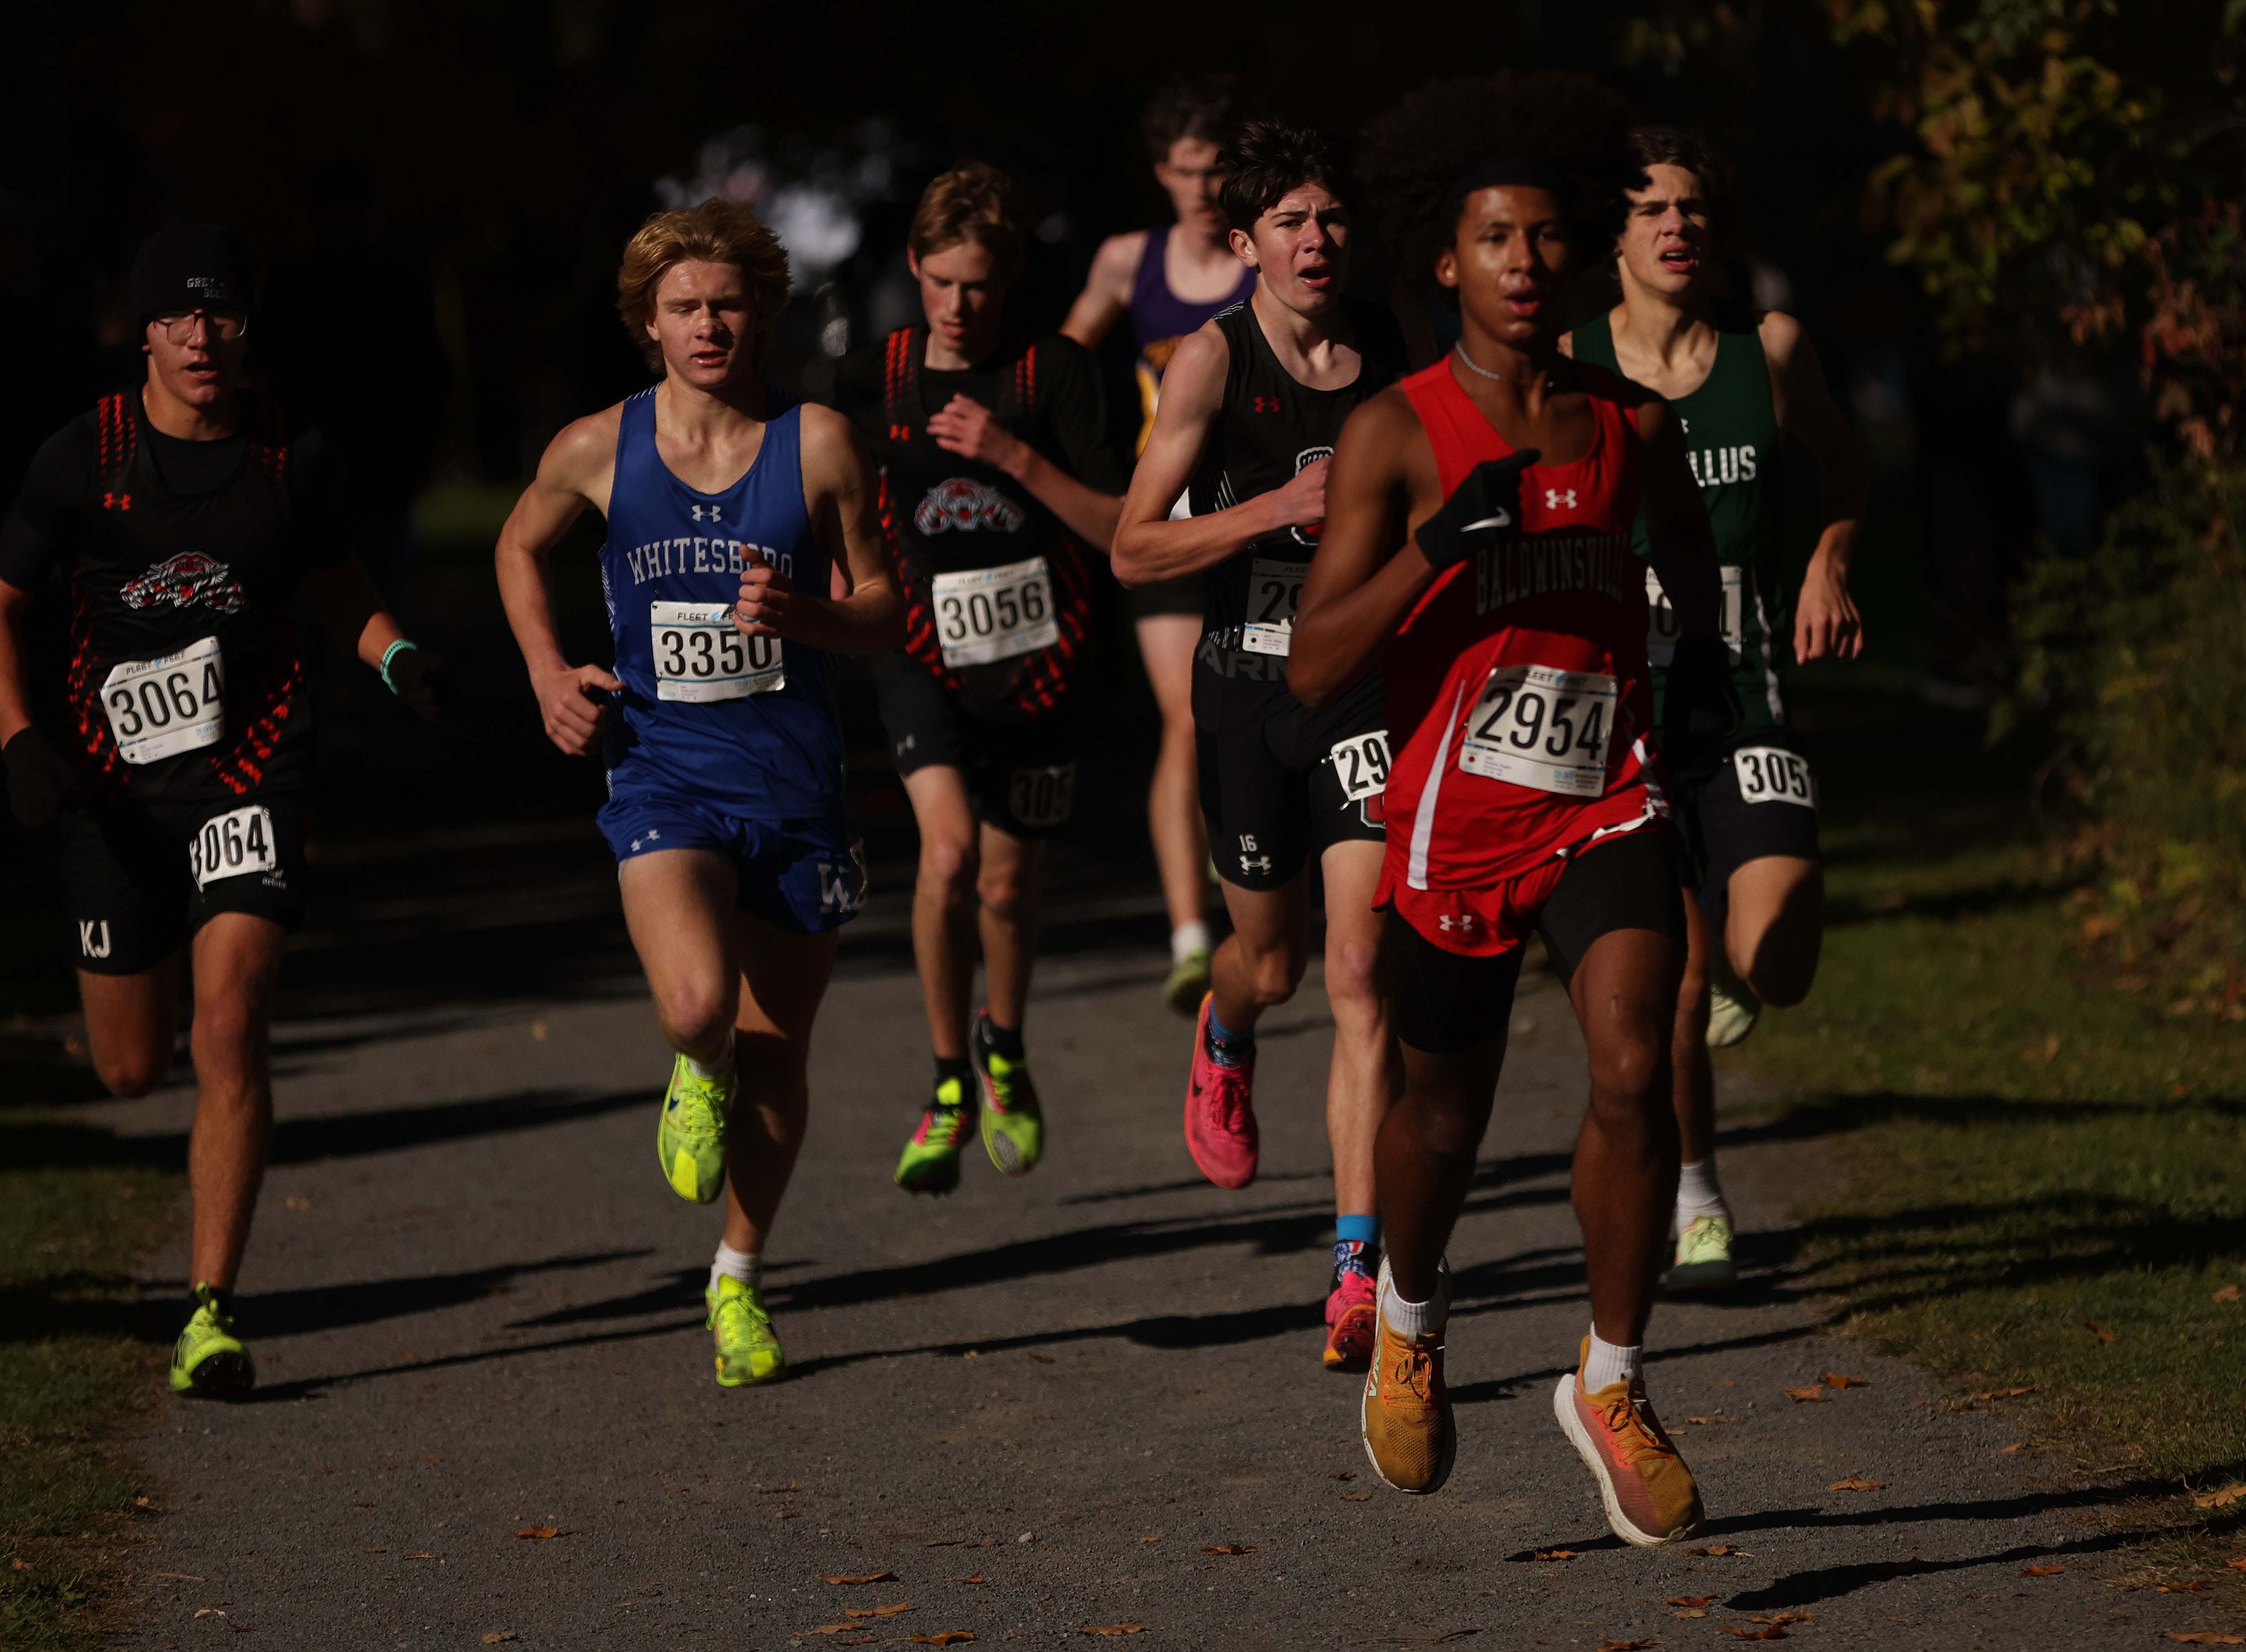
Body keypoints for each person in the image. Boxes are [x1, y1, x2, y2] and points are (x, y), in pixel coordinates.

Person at [1294, 71, 1739, 1541]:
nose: (1528, 264)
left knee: (1631, 1057)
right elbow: (1309, 665)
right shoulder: (1396, 432)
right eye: (1499, 240)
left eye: (1550, 239)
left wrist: (1706, 677)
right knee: (1443, 1111)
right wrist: (1435, 543)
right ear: (1446, 261)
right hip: (1450, 828)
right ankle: (1411, 1325)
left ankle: (1610, 1379)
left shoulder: (1626, 424)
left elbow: (1682, 552)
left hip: (1602, 800)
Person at [0, 222, 444, 1399]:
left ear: (248, 327)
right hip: (111, 790)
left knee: (232, 1023)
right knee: (131, 1068)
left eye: (226, 315)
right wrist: (19, 737)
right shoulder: (78, 459)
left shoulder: (292, 454)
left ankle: (211, 1311)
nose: (205, 338)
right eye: (182, 317)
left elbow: (337, 581)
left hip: (250, 772)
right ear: (146, 329)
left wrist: (398, 657)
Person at [494, 200, 902, 1388]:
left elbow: (885, 610)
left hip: (795, 785)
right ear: (650, 324)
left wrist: (809, 614)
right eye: (684, 307)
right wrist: (543, 671)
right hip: (662, 765)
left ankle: (736, 1276)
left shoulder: (818, 442)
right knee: (695, 1002)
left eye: (726, 302)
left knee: (782, 1054)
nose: (708, 323)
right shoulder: (596, 448)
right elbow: (518, 545)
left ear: (760, 311)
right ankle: (694, 1061)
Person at [1113, 121, 1411, 1373]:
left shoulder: (1393, 351)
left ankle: (1357, 1269)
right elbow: (1133, 546)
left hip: (1361, 692)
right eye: (1290, 221)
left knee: (1359, 967)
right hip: (1243, 686)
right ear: (1244, 245)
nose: (1316, 240)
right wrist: (1268, 512)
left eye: (1331, 218)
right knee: (1274, 964)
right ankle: (1227, 1031)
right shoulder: (1208, 361)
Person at [1565, 128, 1866, 1290]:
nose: (1676, 225)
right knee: (1675, 981)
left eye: (1693, 207)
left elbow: (1845, 466)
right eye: (1651, 210)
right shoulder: (1573, 358)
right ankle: (1699, 1194)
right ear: (1617, 237)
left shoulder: (1769, 348)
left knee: (1773, 955)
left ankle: (1751, 965)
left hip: (1744, 690)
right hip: (1622, 710)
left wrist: (1830, 558)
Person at [828, 165, 1124, 1195]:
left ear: (1010, 282)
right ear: (915, 268)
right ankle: (949, 1080)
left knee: (1008, 879)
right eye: (943, 282)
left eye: (980, 287)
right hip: (923, 657)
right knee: (947, 857)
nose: (959, 306)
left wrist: (1015, 456)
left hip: (1042, 667)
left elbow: (1124, 534)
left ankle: (1007, 1046)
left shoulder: (1058, 376)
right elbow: (833, 500)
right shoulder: (874, 379)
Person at [1064, 73, 1258, 1015]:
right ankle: (1191, 934)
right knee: (1186, 719)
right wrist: (1095, 474)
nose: (1201, 187)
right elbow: (1060, 370)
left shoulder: (1271, 254)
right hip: (1171, 523)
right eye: (1185, 170)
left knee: (1264, 714)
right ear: (1160, 173)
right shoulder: (1125, 262)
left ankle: (1267, 879)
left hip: (1267, 521)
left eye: (1217, 168)